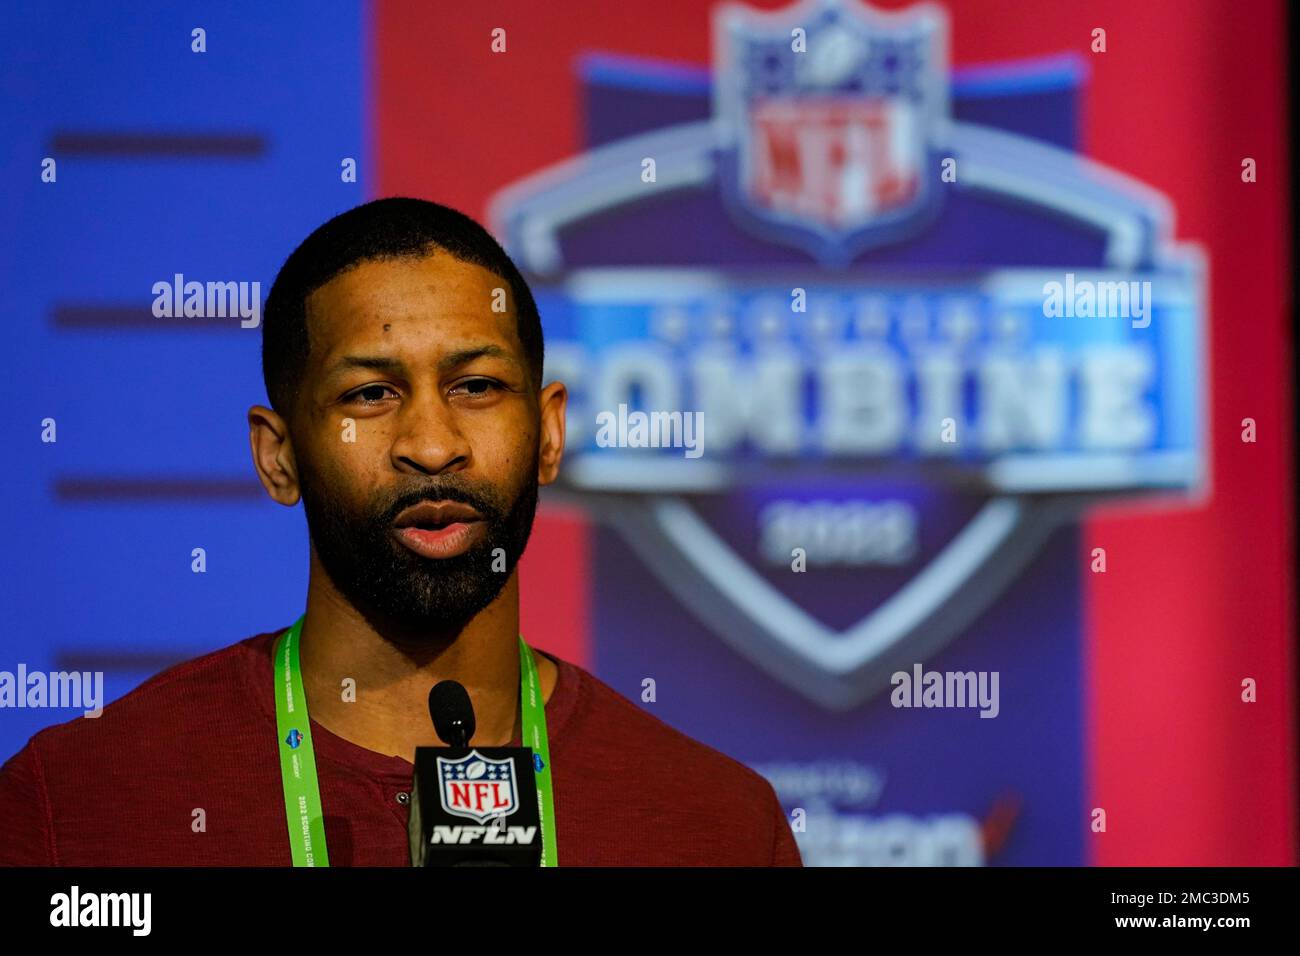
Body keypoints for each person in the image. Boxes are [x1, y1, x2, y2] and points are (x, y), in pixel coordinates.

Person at [0, 197, 802, 867]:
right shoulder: (79, 808)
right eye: (371, 395)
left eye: (478, 386)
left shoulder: (718, 826)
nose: (431, 443)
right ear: (278, 458)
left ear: (550, 434)